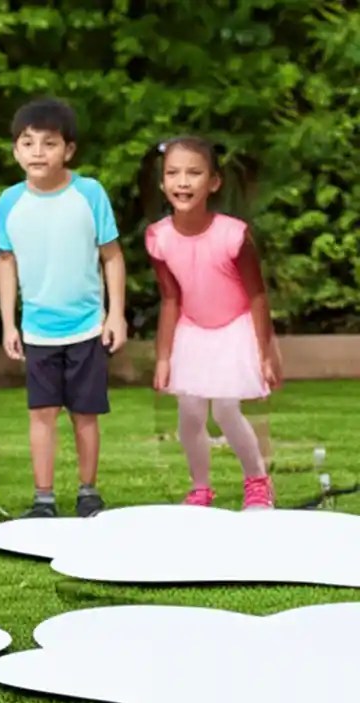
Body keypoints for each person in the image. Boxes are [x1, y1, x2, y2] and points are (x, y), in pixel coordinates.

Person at [0, 97, 127, 519]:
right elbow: (5, 261)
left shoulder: (89, 194)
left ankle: (88, 492)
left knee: (85, 415)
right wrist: (8, 324)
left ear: (67, 150)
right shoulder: (9, 202)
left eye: (48, 143)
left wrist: (116, 313)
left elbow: (112, 256)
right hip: (37, 331)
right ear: (15, 150)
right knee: (42, 413)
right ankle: (43, 498)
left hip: (87, 328)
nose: (37, 152)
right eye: (27, 143)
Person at [144, 136, 282, 508]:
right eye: (173, 173)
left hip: (235, 328)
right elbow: (171, 298)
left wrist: (265, 352)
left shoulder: (233, 235)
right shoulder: (158, 238)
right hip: (192, 330)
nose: (183, 182)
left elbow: (257, 295)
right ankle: (200, 487)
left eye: (194, 173)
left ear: (214, 182)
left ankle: (257, 480)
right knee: (189, 416)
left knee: (224, 410)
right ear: (162, 183)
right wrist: (164, 357)